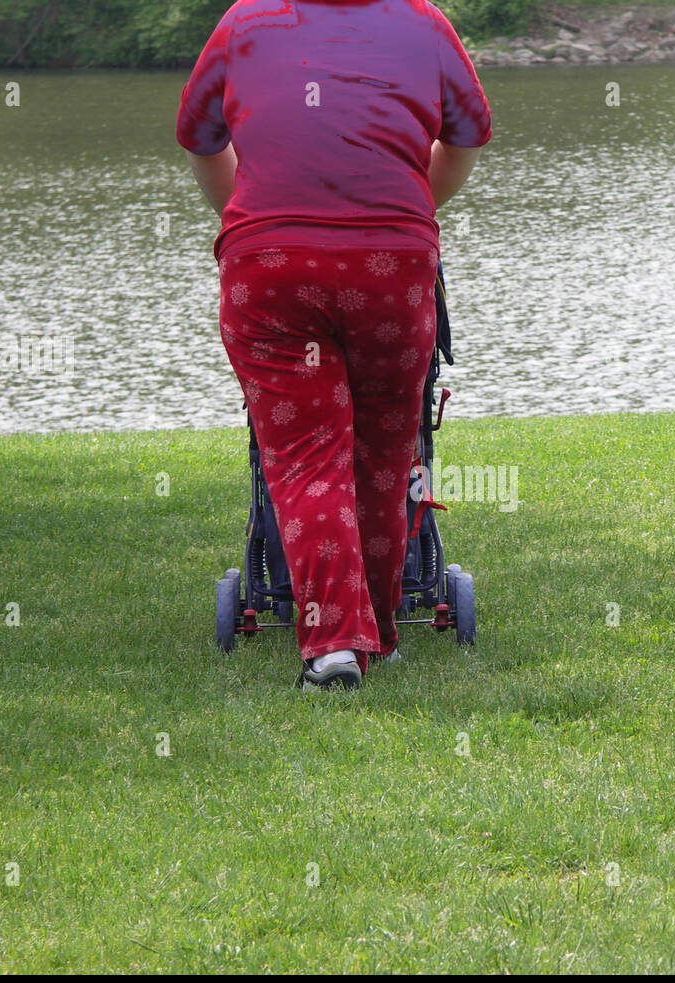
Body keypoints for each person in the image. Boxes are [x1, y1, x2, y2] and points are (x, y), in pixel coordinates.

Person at [177, 0, 491, 689]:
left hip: (270, 267)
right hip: (395, 264)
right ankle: (374, 630)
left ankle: (332, 646)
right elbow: (469, 135)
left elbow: (198, 137)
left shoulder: (244, 23)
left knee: (302, 453)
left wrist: (248, 221)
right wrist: (411, 207)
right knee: (384, 452)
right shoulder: (425, 23)